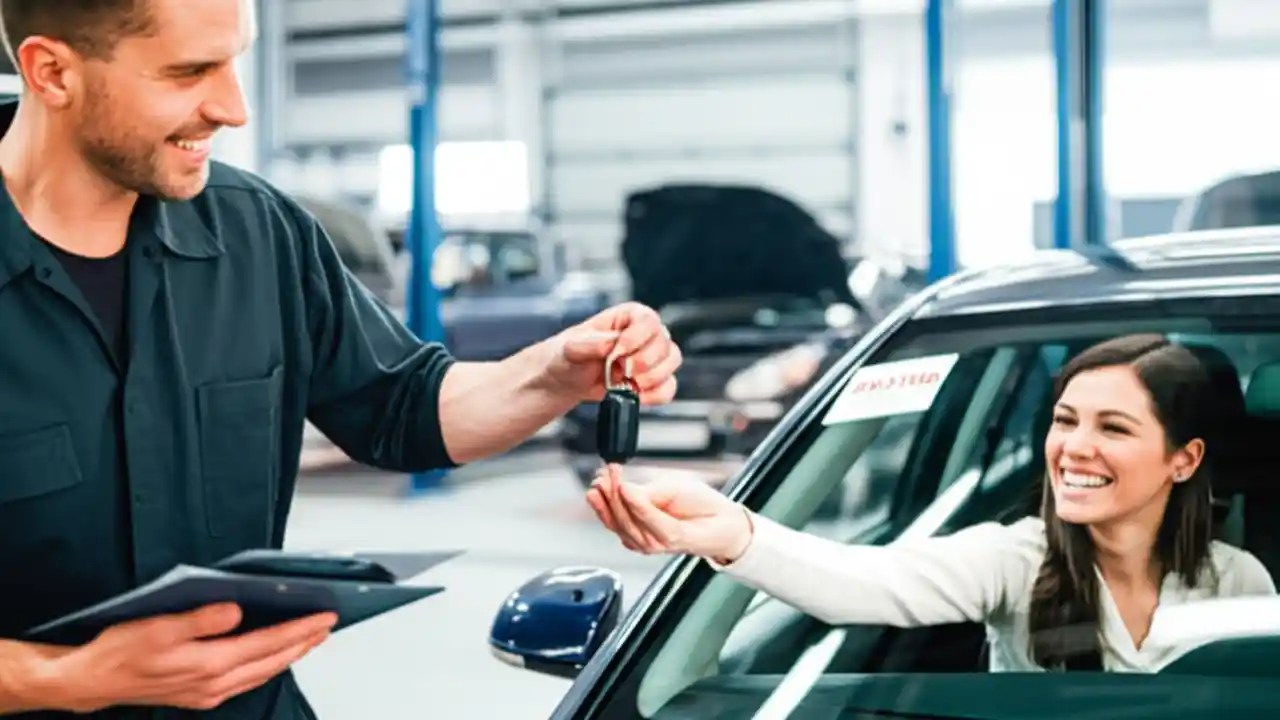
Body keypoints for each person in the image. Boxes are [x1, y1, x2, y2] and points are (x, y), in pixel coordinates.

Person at [0, 0, 681, 717]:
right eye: (189, 72)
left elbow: (405, 409)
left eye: (234, 61)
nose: (232, 108)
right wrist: (69, 679)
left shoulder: (259, 233)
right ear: (52, 71)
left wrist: (551, 374)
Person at [588, 334, 1278, 673]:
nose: (1073, 448)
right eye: (1065, 420)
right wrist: (731, 529)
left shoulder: (1238, 582)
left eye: (1114, 428)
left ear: (1182, 460)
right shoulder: (1017, 558)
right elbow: (863, 584)